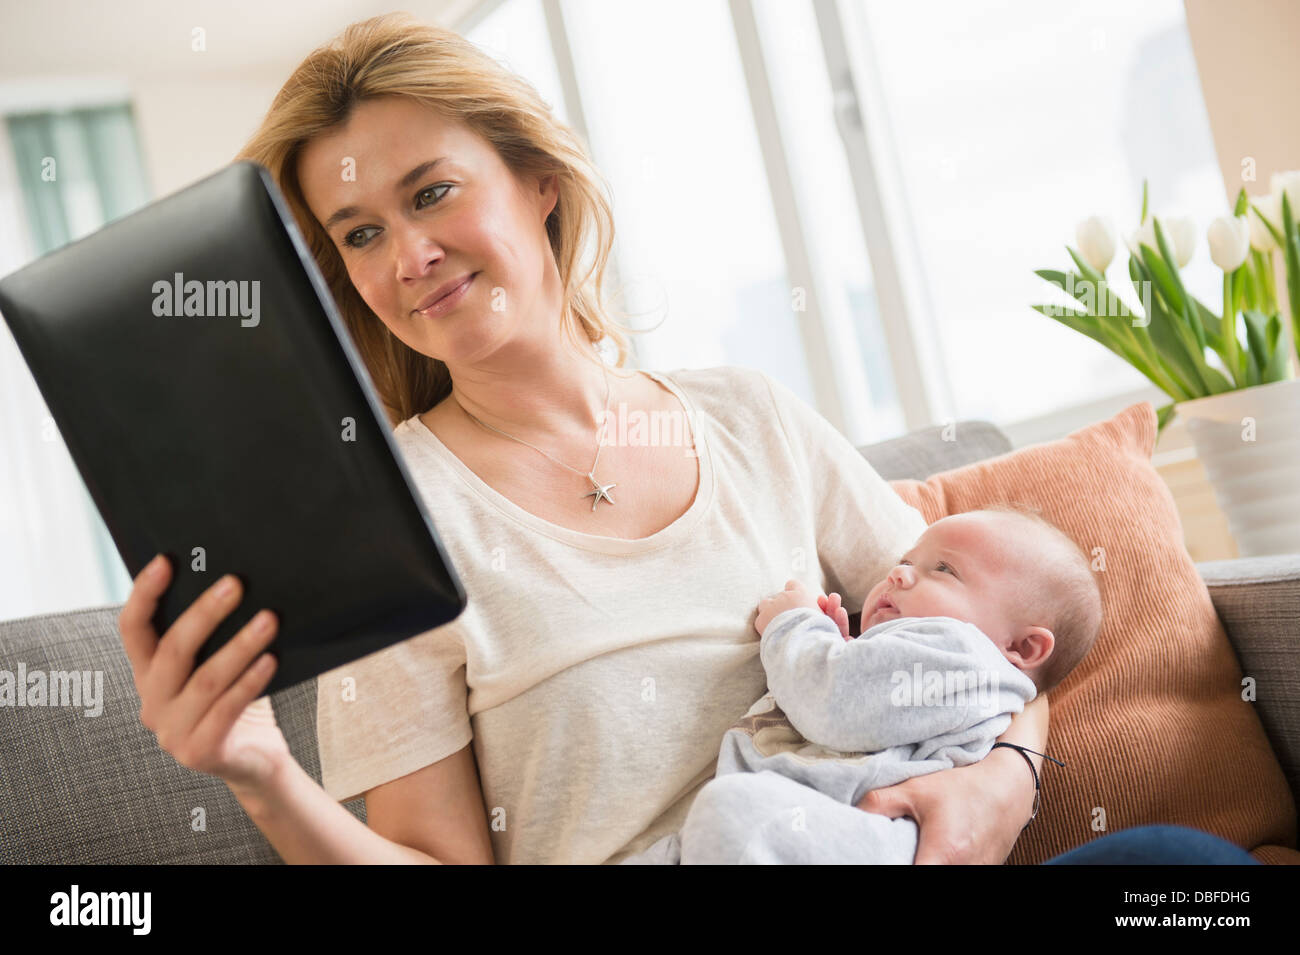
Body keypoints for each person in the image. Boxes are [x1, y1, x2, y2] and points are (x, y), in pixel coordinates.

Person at [116, 13, 1260, 865]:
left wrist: (1002, 780)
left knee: (1186, 875)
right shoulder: (391, 525)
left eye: (432, 193)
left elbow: (994, 642)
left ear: (538, 184)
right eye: (359, 232)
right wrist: (260, 773)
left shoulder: (750, 418)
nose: (406, 255)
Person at [623, 507, 1101, 864]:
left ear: (1022, 647)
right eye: (905, 558)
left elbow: (831, 701)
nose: (899, 572)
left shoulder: (963, 654)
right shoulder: (943, 668)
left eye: (944, 569)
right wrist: (843, 646)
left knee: (731, 813)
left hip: (877, 839)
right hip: (823, 834)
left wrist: (795, 626)